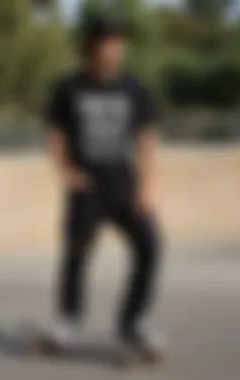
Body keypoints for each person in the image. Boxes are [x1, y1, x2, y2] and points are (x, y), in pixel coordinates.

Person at [43, 16, 163, 357]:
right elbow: (54, 132)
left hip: (123, 183)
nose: (112, 49)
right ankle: (67, 321)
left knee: (149, 245)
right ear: (91, 48)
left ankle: (133, 322)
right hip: (86, 186)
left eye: (117, 42)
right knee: (76, 255)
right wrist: (64, 170)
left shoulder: (135, 89)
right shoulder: (69, 87)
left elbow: (146, 136)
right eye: (105, 43)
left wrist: (147, 183)